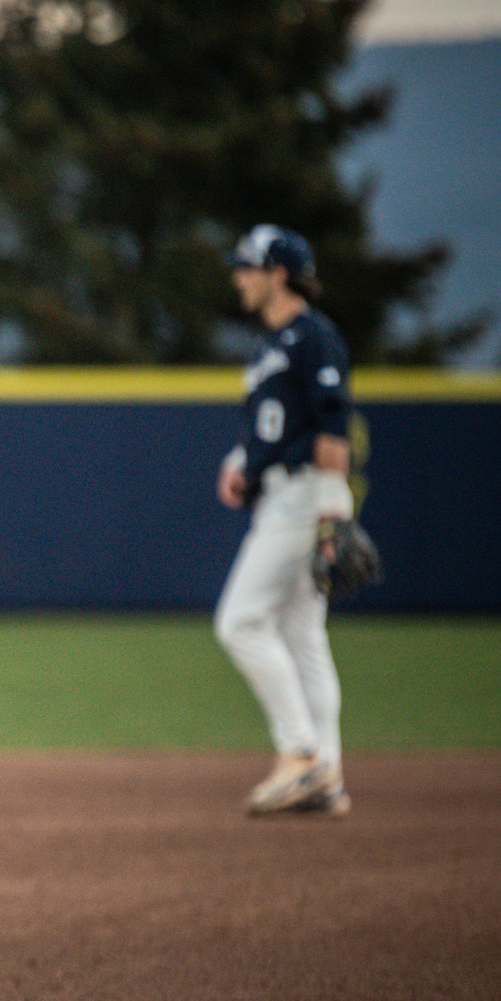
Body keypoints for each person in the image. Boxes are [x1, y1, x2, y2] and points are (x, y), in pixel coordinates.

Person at [214, 224, 357, 818]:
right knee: (301, 636)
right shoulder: (269, 344)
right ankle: (328, 774)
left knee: (240, 622)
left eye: (247, 267)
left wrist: (333, 512)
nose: (238, 277)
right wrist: (239, 461)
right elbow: (274, 425)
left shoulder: (313, 337)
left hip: (302, 499)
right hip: (276, 492)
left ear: (278, 274)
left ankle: (300, 754)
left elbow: (331, 428)